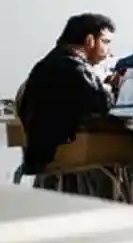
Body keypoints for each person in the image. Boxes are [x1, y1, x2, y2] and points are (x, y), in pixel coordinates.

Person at [18, 14, 116, 175]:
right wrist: (110, 87)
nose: (108, 50)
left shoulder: (51, 61)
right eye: (105, 42)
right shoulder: (74, 68)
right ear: (90, 40)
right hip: (61, 149)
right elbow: (103, 104)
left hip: (40, 150)